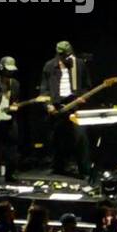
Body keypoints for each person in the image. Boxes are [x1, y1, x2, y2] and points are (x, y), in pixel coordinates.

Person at [40, 40, 93, 179]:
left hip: (75, 105)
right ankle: (58, 168)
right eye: (64, 55)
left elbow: (87, 85)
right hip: (57, 105)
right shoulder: (49, 66)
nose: (67, 58)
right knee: (56, 138)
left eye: (69, 55)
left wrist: (83, 97)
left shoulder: (79, 64)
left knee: (81, 137)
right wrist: (48, 105)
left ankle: (85, 171)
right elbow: (44, 89)